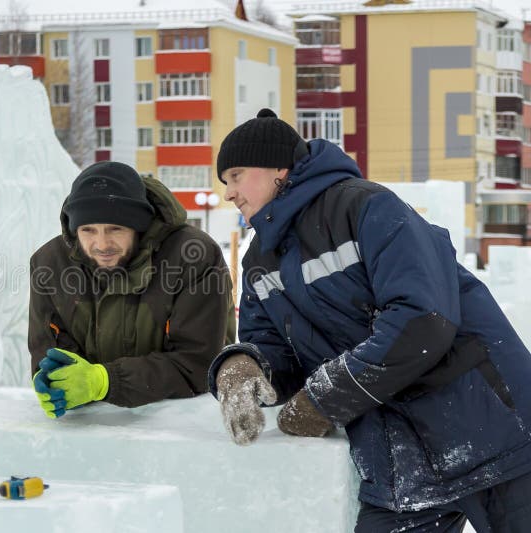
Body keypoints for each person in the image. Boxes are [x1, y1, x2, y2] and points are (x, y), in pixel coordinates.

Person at [208, 108, 531, 531]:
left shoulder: (365, 207)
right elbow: (275, 351)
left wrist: (326, 398)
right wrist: (244, 365)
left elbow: (423, 319)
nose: (228, 193)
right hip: (399, 462)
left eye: (235, 175)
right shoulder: (258, 262)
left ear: (278, 170)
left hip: (493, 431)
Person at [29, 160, 235, 419]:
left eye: (115, 228)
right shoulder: (49, 263)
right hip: (88, 423)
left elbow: (198, 363)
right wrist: (51, 379)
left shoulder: (191, 256)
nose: (101, 244)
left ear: (139, 226)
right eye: (88, 230)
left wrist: (105, 381)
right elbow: (46, 346)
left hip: (178, 420)